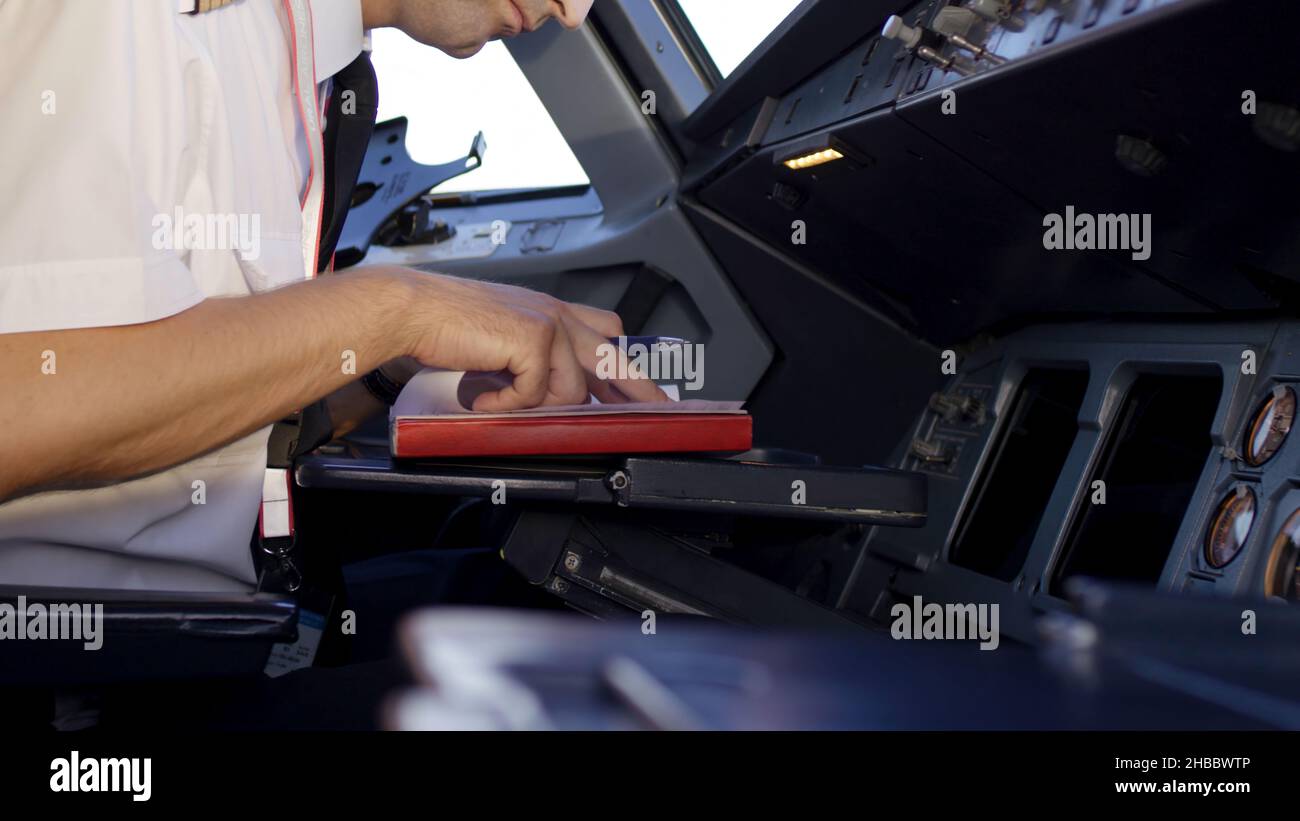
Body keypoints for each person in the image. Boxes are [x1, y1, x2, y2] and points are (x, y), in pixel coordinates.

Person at [0, 0, 663, 592]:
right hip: (85, 646)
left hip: (237, 605)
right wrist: (400, 311)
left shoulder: (302, 60)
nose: (574, 12)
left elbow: (219, 409)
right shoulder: (117, 16)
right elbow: (22, 406)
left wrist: (387, 368)